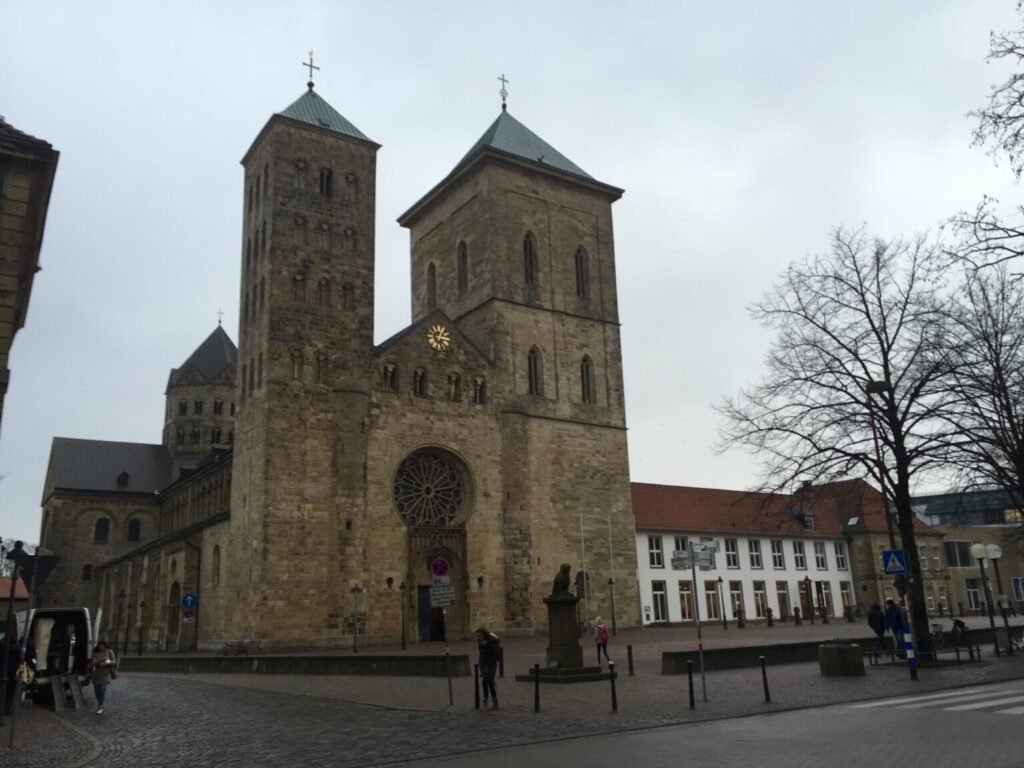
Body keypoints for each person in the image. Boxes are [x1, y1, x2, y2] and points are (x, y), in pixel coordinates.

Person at [476, 627, 500, 710]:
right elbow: (481, 655)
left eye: (480, 635)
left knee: (484, 682)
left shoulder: (492, 642)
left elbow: (496, 654)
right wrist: (481, 665)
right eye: (478, 636)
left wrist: (489, 665)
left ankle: (485, 703)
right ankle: (495, 703)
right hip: (483, 665)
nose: (479, 637)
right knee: (490, 683)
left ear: (484, 634)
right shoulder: (480, 642)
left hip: (491, 665)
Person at [89, 640, 116, 714]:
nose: (102, 647)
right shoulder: (95, 654)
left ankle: (101, 706)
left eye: (103, 646)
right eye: (100, 646)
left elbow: (114, 662)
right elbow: (93, 663)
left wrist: (108, 662)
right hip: (97, 674)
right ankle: (100, 704)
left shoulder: (109, 652)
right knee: (97, 692)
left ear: (105, 646)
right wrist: (101, 660)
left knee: (102, 690)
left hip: (105, 674)